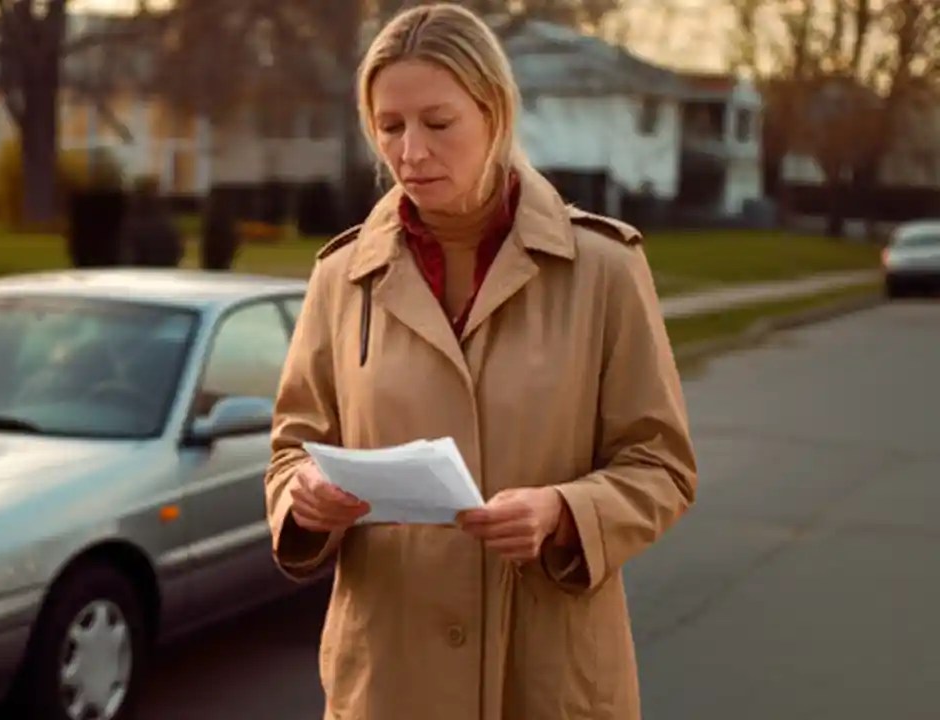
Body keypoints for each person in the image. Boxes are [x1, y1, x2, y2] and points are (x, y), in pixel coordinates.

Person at [262, 4, 698, 720]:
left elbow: (662, 465)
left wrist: (565, 512)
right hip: (389, 679)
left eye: (439, 123)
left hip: (548, 674)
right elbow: (290, 451)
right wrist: (305, 497)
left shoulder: (603, 268)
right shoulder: (342, 277)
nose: (411, 152)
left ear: (494, 113)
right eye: (390, 126)